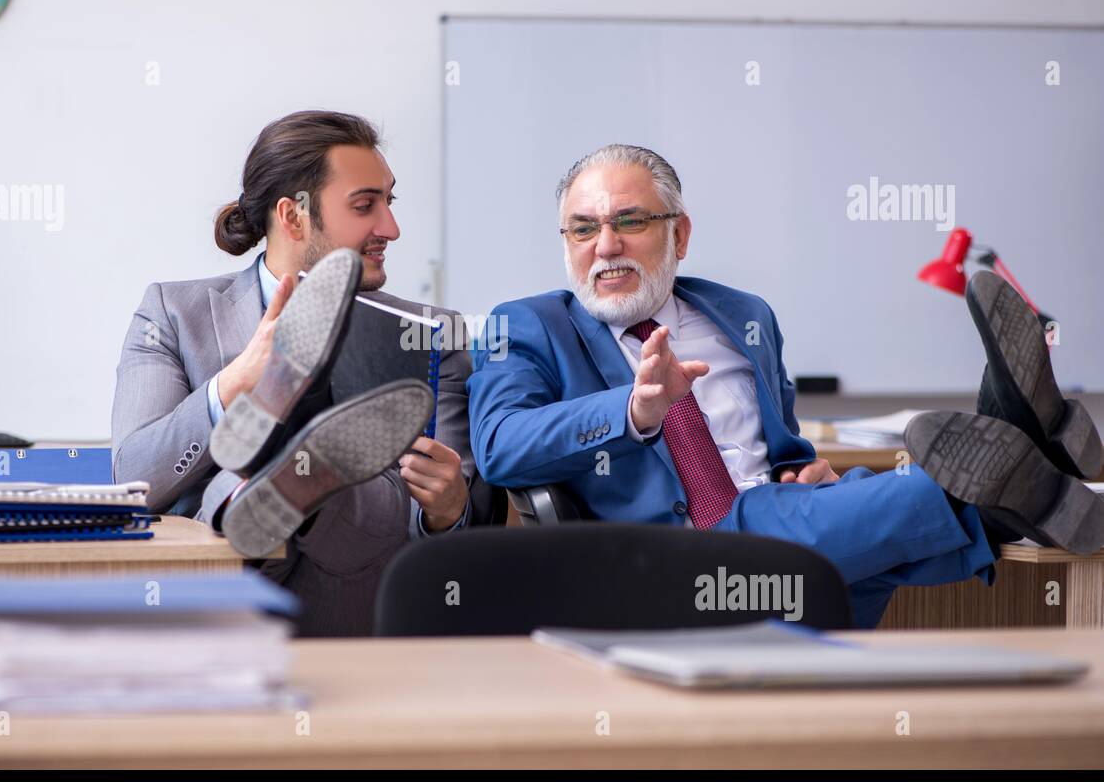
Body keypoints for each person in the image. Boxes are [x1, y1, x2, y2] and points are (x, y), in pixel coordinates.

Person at [466, 143, 1103, 627]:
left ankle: (1013, 489)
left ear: (678, 234)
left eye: (629, 221)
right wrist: (634, 410)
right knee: (789, 514)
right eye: (583, 227)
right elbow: (499, 443)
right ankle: (1021, 459)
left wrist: (807, 475)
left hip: (777, 558)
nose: (605, 246)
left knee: (844, 510)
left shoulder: (744, 316)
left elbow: (782, 451)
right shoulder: (526, 325)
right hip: (672, 568)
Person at [112, 110, 492, 635]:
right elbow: (135, 481)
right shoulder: (173, 313)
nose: (391, 228)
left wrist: (449, 509)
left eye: (390, 202)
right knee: (253, 469)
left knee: (311, 473)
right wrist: (236, 382)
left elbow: (431, 522)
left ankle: (277, 469)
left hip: (356, 599)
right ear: (293, 217)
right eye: (365, 206)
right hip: (218, 603)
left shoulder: (431, 333)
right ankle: (272, 467)